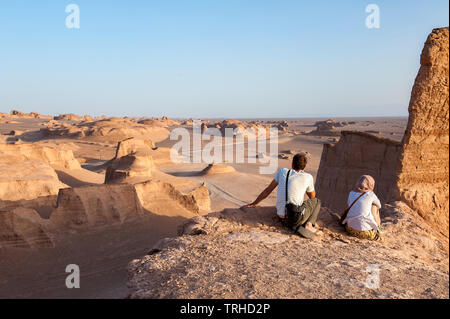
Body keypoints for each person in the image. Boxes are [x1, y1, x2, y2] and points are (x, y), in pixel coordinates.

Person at [241, 153, 321, 237]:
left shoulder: (282, 171)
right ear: (304, 166)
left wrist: (254, 203)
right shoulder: (308, 177)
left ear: (292, 163)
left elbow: (267, 190)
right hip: (295, 217)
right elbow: (312, 197)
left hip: (281, 218)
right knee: (316, 201)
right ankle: (309, 225)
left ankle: (294, 223)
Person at [342, 175, 381, 240]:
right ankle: (378, 229)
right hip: (366, 233)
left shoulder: (351, 193)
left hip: (350, 230)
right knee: (375, 206)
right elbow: (379, 205)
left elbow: (349, 204)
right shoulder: (371, 195)